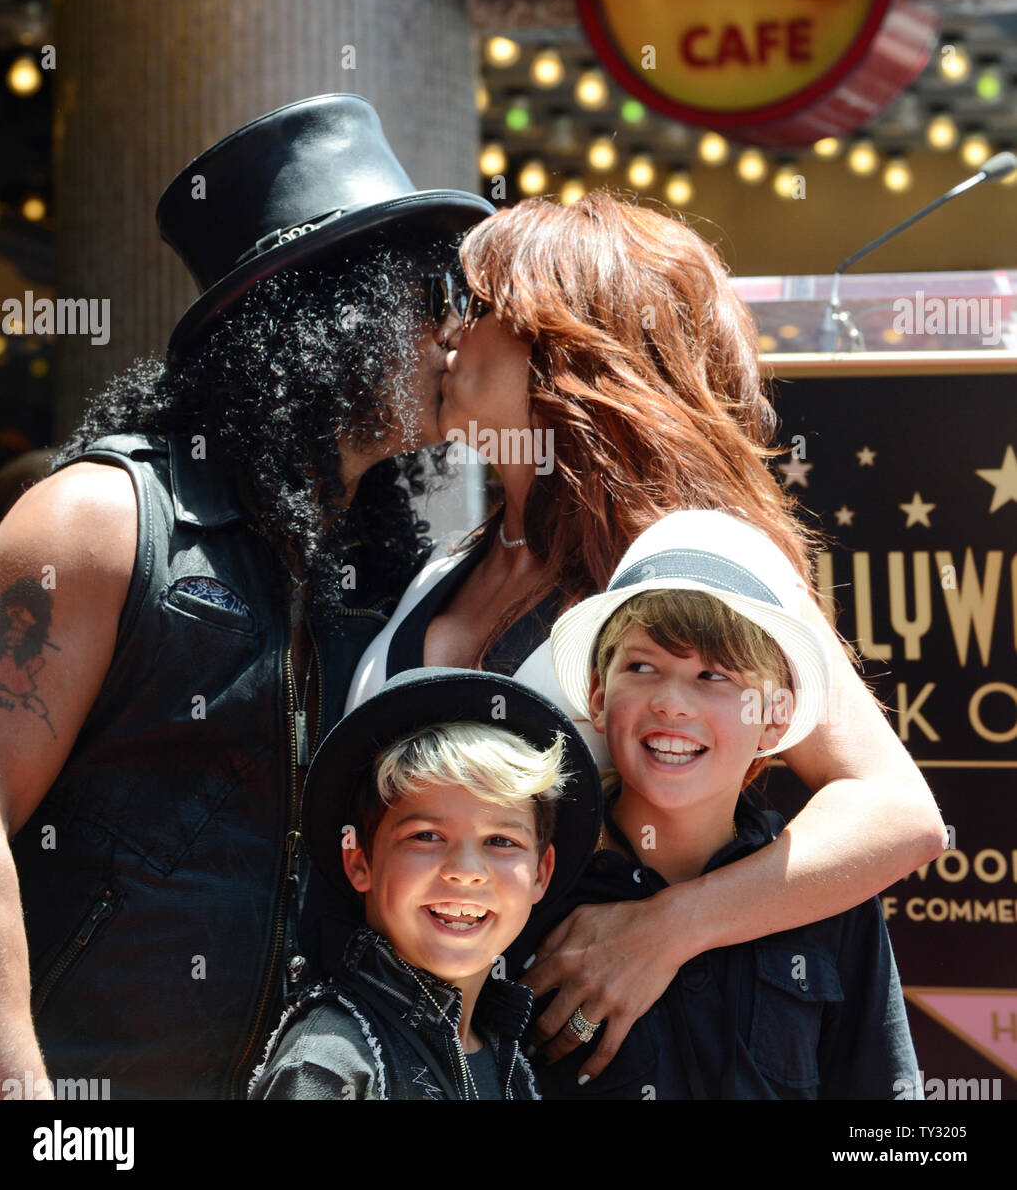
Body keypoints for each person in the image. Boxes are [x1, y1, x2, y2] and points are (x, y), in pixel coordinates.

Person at [343, 190, 946, 1082]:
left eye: (476, 308)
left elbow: (898, 816)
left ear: (567, 342)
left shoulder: (686, 566)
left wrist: (671, 928)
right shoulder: (445, 571)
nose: (445, 336)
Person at [0, 94, 492, 1099]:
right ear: (324, 317)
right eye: (422, 294)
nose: (452, 332)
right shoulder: (99, 520)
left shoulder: (380, 574)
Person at [508, 509, 920, 1099]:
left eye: (715, 675)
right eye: (643, 666)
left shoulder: (827, 895)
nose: (672, 703)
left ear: (775, 719)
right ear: (598, 697)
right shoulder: (529, 882)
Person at [248, 666, 602, 1100]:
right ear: (360, 860)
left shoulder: (509, 1063)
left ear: (540, 873)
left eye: (501, 841)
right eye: (427, 836)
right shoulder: (331, 1063)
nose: (467, 870)